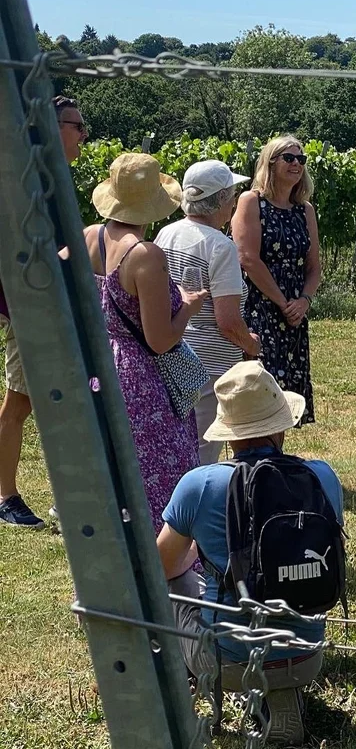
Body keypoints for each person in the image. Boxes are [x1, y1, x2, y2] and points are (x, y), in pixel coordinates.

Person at [157, 360, 344, 745]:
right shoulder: (322, 477)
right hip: (306, 656)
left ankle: (183, 681)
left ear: (228, 431)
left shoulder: (200, 485)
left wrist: (202, 550)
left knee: (175, 579)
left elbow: (160, 566)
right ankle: (282, 689)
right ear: (280, 424)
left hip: (227, 662)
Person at [83, 153, 207, 530]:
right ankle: (170, 570)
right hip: (143, 382)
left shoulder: (91, 236)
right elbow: (159, 340)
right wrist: (188, 306)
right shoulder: (145, 255)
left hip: (102, 366)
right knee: (162, 478)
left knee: (114, 475)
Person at [0, 96, 89, 527]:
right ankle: (5, 497)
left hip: (46, 304)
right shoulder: (31, 181)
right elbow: (26, 250)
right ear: (51, 128)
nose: (84, 134)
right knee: (20, 401)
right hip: (28, 305)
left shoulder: (49, 178)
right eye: (78, 125)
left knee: (57, 400)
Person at [155, 160, 261, 464]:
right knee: (202, 448)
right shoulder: (220, 247)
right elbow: (227, 321)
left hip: (173, 352)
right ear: (219, 201)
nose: (232, 205)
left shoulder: (166, 234)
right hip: (211, 367)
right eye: (230, 196)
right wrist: (250, 343)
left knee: (173, 439)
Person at [232, 136, 321, 425]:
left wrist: (303, 302)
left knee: (287, 401)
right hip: (260, 310)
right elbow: (247, 258)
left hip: (294, 314)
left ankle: (277, 460)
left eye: (301, 159)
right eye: (289, 158)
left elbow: (314, 266)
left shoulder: (305, 210)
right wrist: (283, 303)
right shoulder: (252, 201)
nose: (297, 164)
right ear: (271, 162)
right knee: (259, 393)